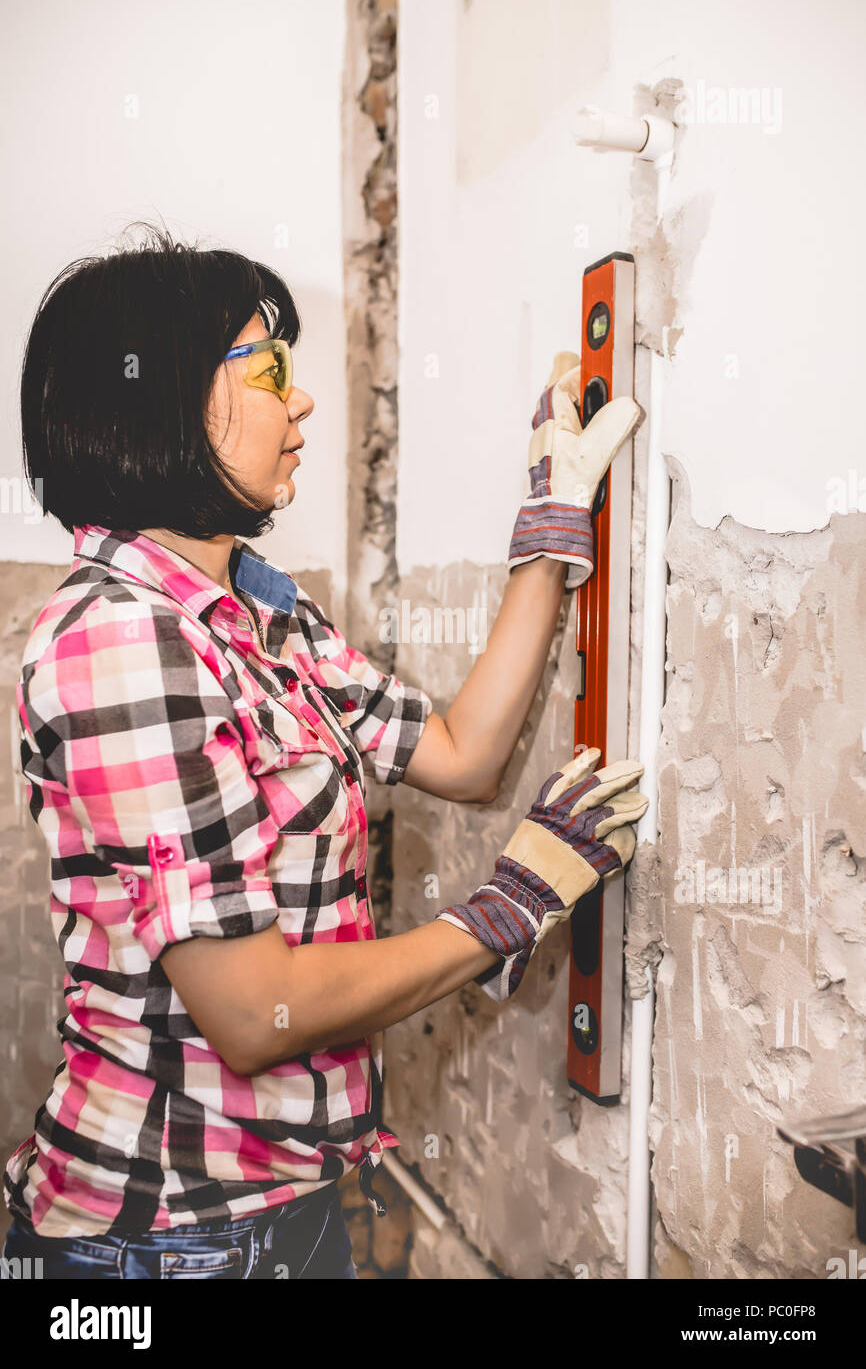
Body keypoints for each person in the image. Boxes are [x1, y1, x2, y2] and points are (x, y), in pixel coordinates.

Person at [1, 225, 647, 1280]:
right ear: (160, 402)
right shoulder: (117, 637)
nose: (299, 402)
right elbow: (253, 1011)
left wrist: (547, 532)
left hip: (285, 1207)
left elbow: (458, 752)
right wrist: (501, 914)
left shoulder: (256, 613)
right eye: (269, 370)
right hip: (162, 1245)